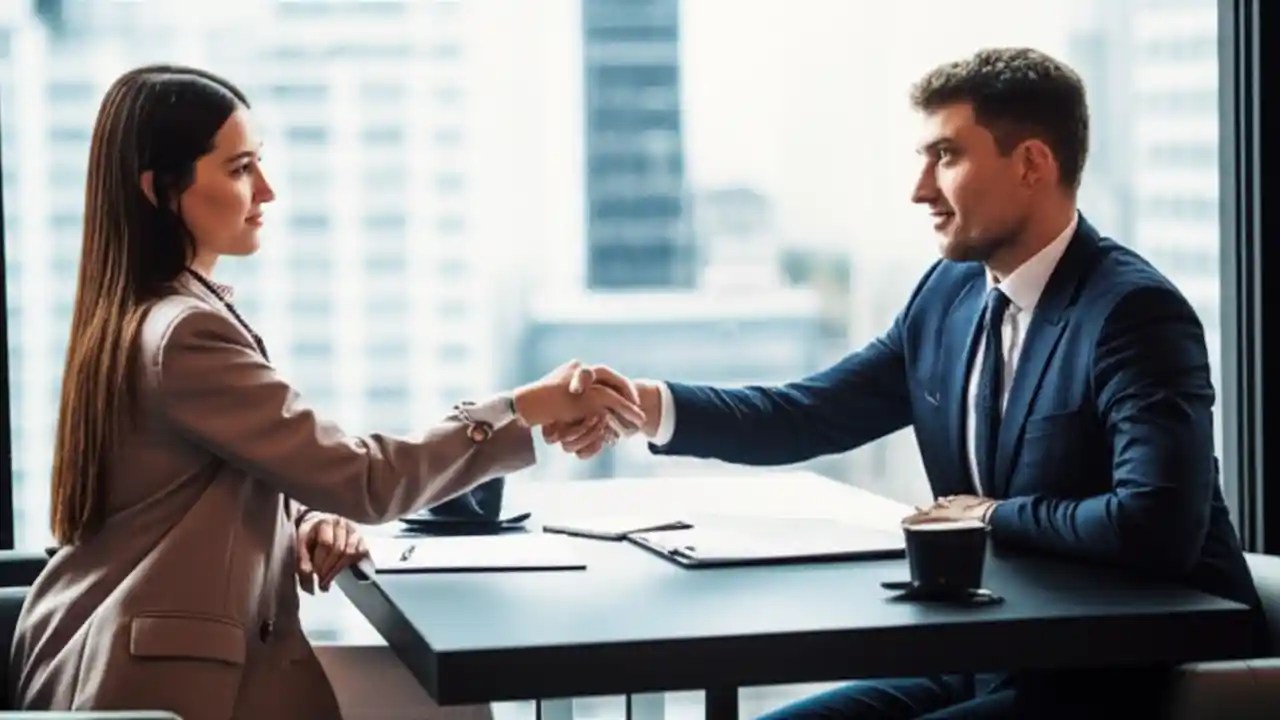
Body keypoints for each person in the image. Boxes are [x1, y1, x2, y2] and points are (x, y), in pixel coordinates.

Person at [544, 47, 1263, 719]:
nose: (921, 190)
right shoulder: (948, 295)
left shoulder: (1132, 313)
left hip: (1127, 664)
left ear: (1032, 164)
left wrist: (986, 515)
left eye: (946, 156)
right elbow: (812, 413)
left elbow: (1155, 528)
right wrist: (645, 407)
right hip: (996, 649)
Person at [6, 64, 642, 720]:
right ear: (160, 190)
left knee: (448, 705)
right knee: (448, 708)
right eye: (241, 169)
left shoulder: (144, 313)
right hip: (165, 687)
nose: (268, 191)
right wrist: (523, 409)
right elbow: (363, 478)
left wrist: (299, 518)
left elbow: (184, 490)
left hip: (109, 655)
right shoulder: (186, 333)